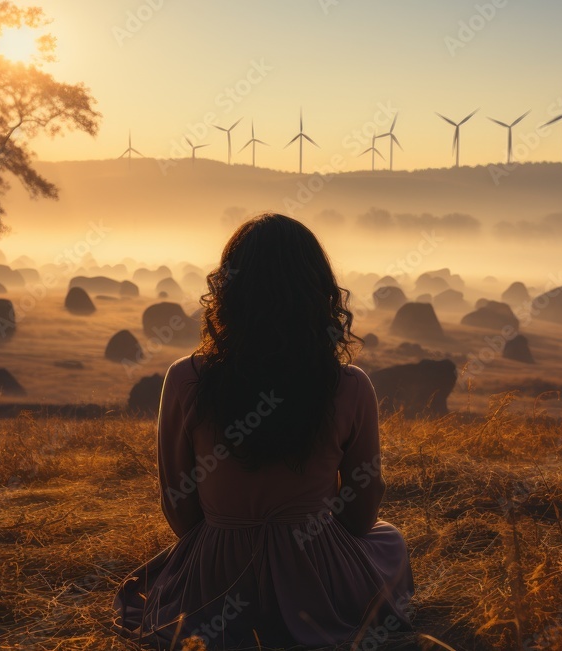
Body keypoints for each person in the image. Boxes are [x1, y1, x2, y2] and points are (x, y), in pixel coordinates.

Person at [113, 213, 413, 649]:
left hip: (216, 579)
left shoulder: (183, 380)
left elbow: (179, 507)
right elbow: (363, 510)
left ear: (229, 290)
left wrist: (225, 538)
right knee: (390, 542)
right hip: (318, 569)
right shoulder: (350, 386)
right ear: (320, 294)